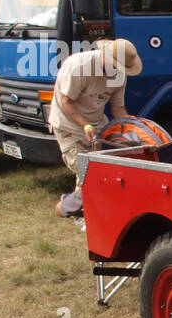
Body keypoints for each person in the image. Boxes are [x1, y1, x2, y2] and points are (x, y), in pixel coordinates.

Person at [48, 39, 142, 218]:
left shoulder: (119, 76)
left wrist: (132, 130)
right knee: (85, 169)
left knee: (95, 171)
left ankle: (77, 208)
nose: (119, 71)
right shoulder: (79, 67)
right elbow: (66, 101)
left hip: (97, 124)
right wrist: (85, 125)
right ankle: (68, 207)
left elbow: (118, 108)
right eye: (116, 65)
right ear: (106, 58)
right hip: (68, 124)